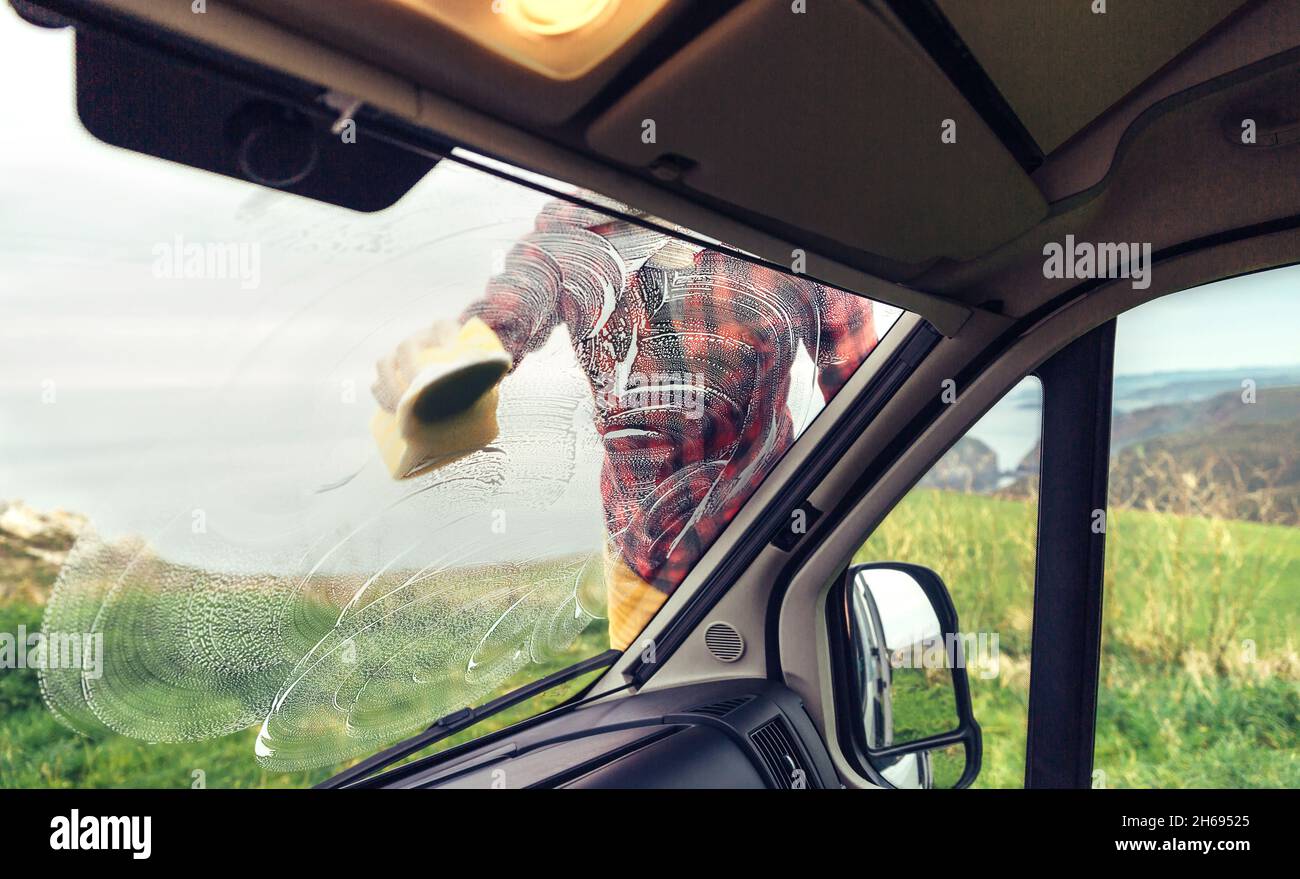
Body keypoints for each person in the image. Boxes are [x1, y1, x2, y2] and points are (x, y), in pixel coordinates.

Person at [372, 197, 879, 649]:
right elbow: (511, 307)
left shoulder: (789, 227)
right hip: (635, 562)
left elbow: (865, 403)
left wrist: (821, 537)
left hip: (768, 552)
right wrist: (445, 367)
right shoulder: (573, 226)